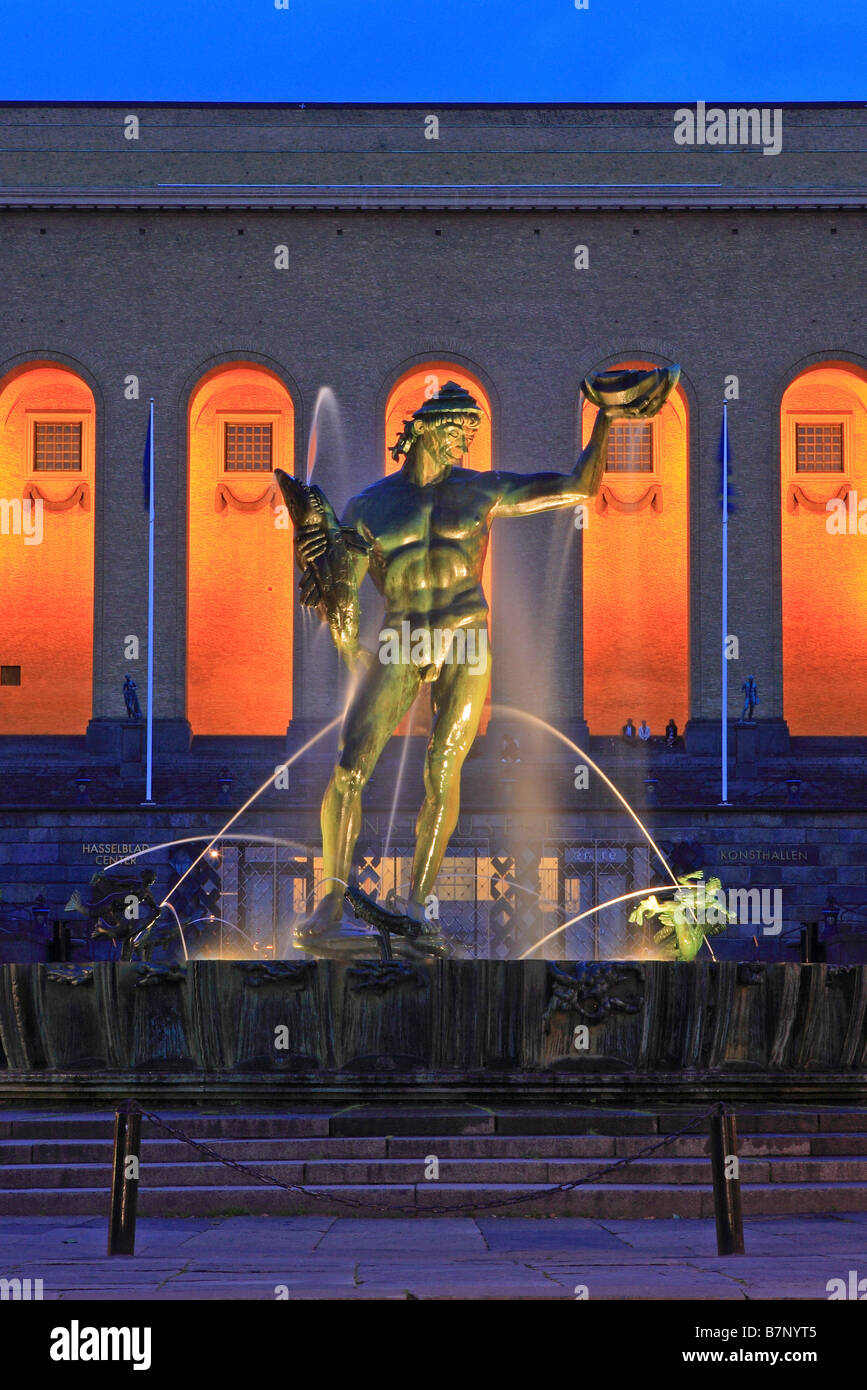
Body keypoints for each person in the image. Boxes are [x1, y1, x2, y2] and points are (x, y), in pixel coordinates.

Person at [285, 369, 679, 944]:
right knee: (349, 769)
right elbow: (336, 591)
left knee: (442, 768)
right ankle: (331, 902)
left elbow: (577, 487)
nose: (465, 442)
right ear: (424, 430)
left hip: (466, 635)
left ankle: (416, 906)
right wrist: (319, 571)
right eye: (456, 431)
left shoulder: (481, 490)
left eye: (470, 432)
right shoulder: (369, 506)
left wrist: (607, 418)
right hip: (401, 637)